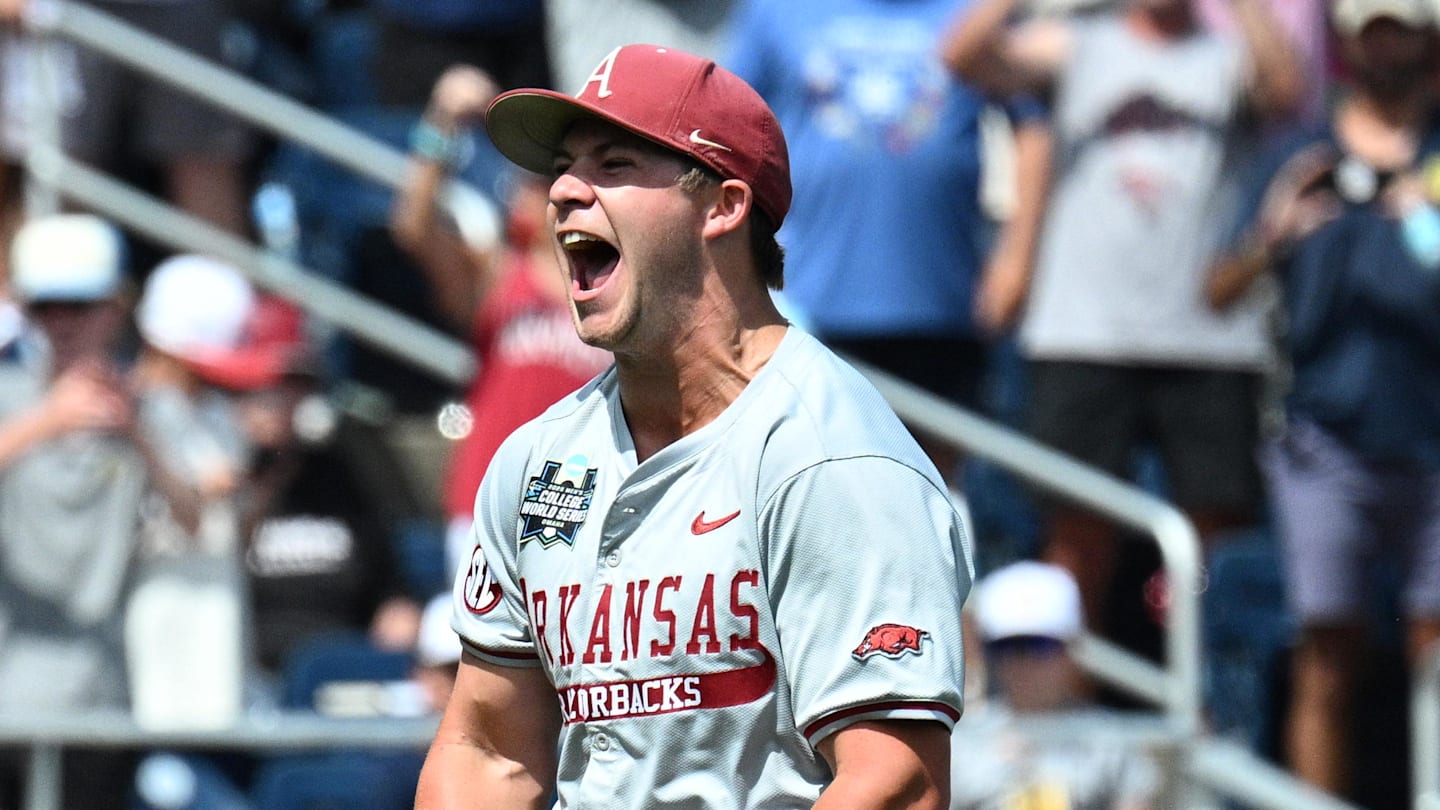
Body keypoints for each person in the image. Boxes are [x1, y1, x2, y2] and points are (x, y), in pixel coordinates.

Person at [415, 44, 973, 808]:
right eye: (564, 168)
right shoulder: (536, 461)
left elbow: (895, 783)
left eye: (613, 165)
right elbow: (487, 752)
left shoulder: (833, 460)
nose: (564, 191)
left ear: (723, 205)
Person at [940, 0, 1305, 631]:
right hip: (1084, 330)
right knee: (1076, 535)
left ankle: (1207, 701)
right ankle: (1063, 699)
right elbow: (962, 57)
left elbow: (1288, 92)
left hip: (1208, 338)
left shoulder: (1227, 57)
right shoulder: (1076, 44)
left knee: (1212, 549)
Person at [1205, 0, 1440, 795]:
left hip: (1433, 441)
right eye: (1371, 34)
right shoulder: (1299, 157)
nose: (1386, 50)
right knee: (1326, 657)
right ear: (1343, 44)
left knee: (1434, 654)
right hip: (1322, 442)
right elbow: (1216, 288)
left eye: (1400, 32)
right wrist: (1275, 235)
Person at [724, 0, 1024, 486]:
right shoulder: (775, 10)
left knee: (934, 491)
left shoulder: (970, 12)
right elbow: (725, 127)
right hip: (805, 305)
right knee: (809, 482)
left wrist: (1017, 256)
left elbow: (1033, 121)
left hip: (941, 304)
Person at [390, 63, 612, 582]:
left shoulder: (618, 282)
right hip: (486, 502)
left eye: (556, 179)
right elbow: (413, 226)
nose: (547, 194)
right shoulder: (496, 273)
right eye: (535, 183)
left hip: (585, 508)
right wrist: (441, 122)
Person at [0, 214, 145, 810]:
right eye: (46, 307)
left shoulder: (147, 399)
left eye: (79, 306)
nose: (61, 324)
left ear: (116, 308)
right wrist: (45, 422)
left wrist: (141, 436)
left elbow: (203, 523)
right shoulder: (7, 393)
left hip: (105, 692)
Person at [951, 561, 1160, 809]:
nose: (1022, 661)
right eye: (1006, 646)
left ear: (1072, 649)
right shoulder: (960, 743)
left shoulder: (1110, 742)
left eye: (1039, 645)